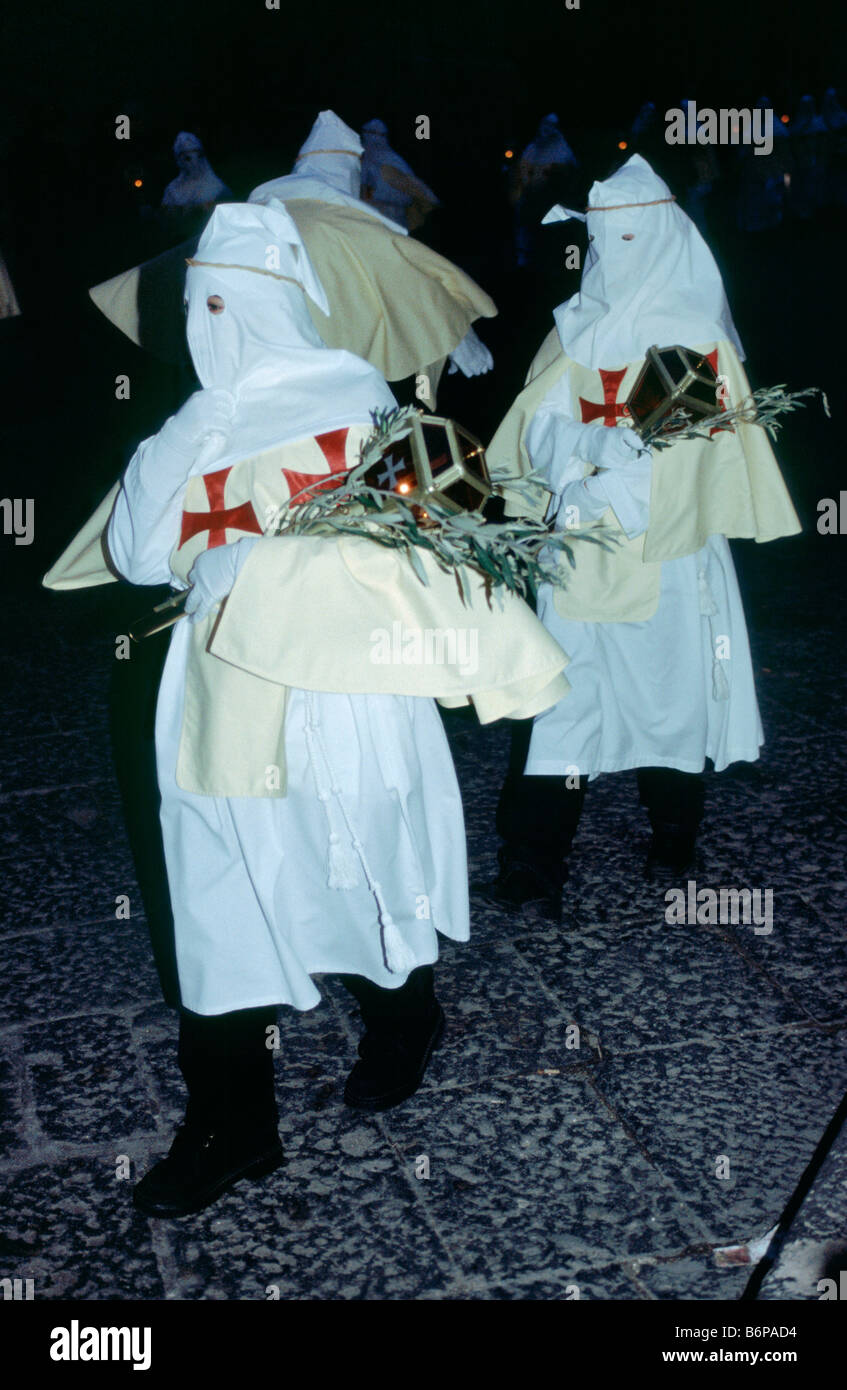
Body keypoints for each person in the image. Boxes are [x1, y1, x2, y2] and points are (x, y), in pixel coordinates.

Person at [44, 201, 569, 1216]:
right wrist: (186, 439)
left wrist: (271, 562)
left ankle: (403, 1014)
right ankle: (232, 1122)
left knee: (360, 867)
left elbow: (427, 542)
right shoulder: (186, 425)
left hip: (344, 692)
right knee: (214, 897)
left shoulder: (358, 402)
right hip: (215, 689)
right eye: (202, 305)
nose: (214, 324)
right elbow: (138, 555)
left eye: (231, 304)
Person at [477, 155, 801, 921]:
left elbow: (684, 459)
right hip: (577, 543)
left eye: (626, 239)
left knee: (669, 696)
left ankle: (673, 831)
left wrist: (610, 481)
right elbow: (539, 427)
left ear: (658, 239)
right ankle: (533, 860)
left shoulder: (691, 334)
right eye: (599, 241)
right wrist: (576, 464)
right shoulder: (575, 328)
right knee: (562, 701)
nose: (608, 257)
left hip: (666, 548)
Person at [511, 113, 579, 269]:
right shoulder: (534, 147)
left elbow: (566, 174)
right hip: (532, 198)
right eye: (545, 125)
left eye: (551, 126)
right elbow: (522, 169)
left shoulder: (561, 148)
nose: (547, 129)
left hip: (553, 200)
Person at [360, 117, 440, 232]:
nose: (374, 138)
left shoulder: (392, 161)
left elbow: (412, 188)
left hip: (391, 220)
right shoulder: (358, 157)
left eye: (378, 134)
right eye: (370, 133)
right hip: (362, 219)